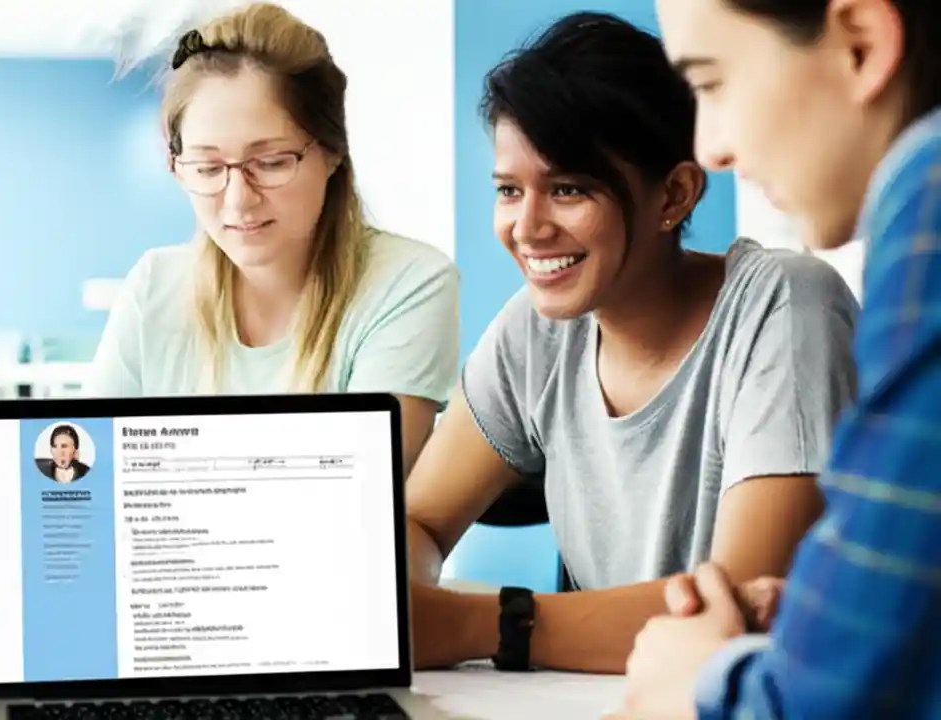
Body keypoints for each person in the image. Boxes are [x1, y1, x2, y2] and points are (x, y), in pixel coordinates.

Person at [404, 11, 861, 674]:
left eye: (567, 189)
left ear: (674, 194)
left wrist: (482, 625)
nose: (526, 228)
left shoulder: (784, 306)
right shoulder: (535, 330)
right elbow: (417, 523)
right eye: (508, 190)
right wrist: (410, 605)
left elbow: (733, 612)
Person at [615, 0, 941, 717]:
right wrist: (824, 613)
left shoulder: (930, 199)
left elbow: (818, 704)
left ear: (859, 44)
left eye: (713, 83)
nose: (711, 149)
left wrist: (698, 683)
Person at [87, 2, 459, 472]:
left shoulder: (409, 283)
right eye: (207, 168)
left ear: (332, 152)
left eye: (271, 163)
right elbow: (91, 475)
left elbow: (361, 503)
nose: (238, 200)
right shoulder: (153, 286)